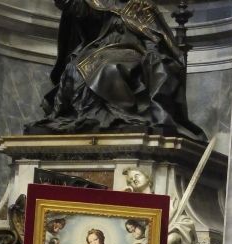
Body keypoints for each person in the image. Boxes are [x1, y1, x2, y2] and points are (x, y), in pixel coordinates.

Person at [24, 0, 206, 143]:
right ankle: (86, 116)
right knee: (74, 68)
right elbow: (76, 7)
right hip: (99, 50)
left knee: (109, 69)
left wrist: (153, 53)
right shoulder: (99, 3)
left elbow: (156, 39)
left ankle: (110, 115)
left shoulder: (143, 7)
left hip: (133, 53)